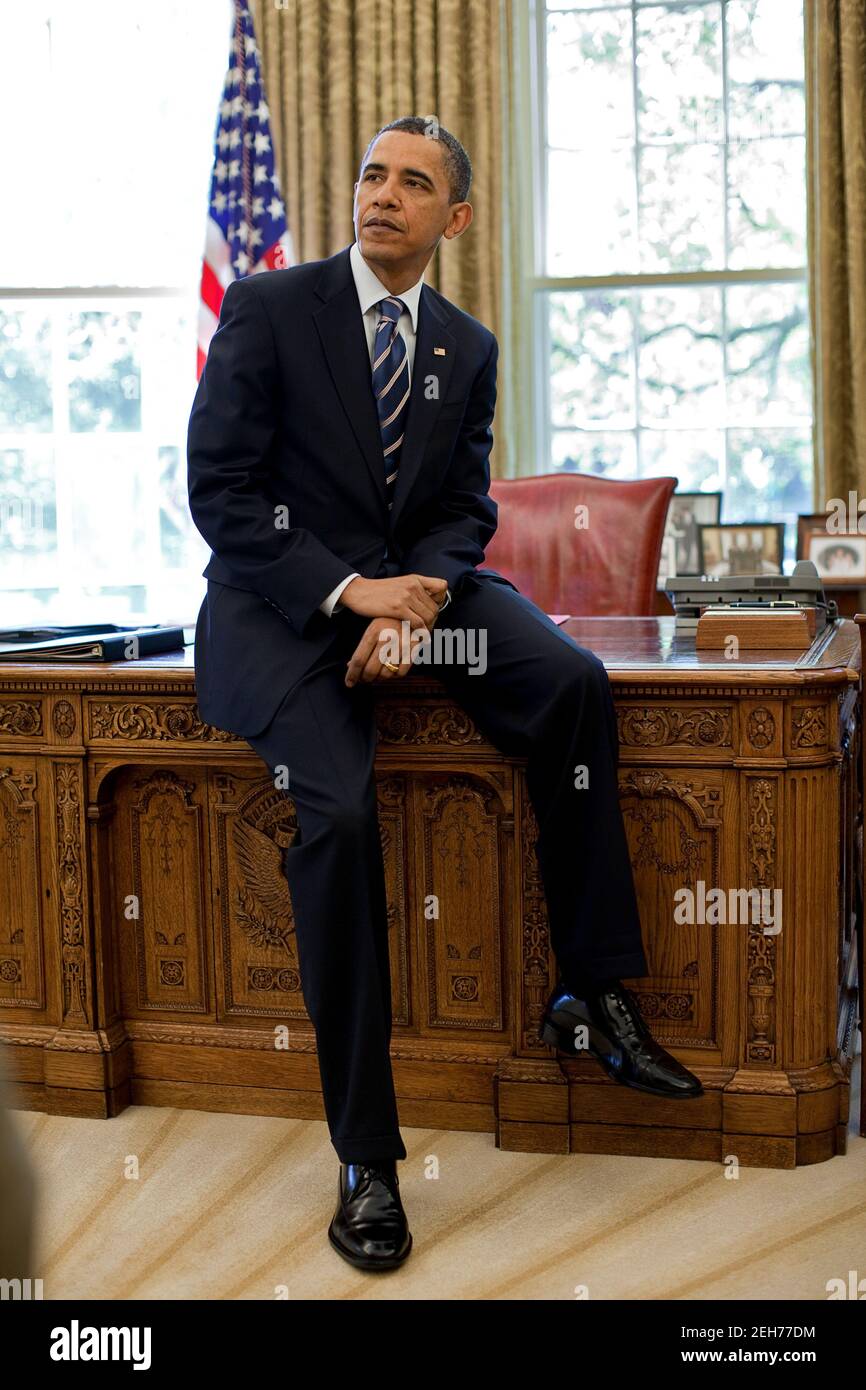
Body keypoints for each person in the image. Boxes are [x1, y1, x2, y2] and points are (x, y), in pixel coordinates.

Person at [187, 115, 702, 1275]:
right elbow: (221, 492)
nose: (383, 194)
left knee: (568, 681)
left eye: (412, 183)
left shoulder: (462, 348)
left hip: (419, 599)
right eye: (373, 174)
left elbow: (464, 509)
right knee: (344, 814)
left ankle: (588, 993)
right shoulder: (270, 310)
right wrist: (352, 598)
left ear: (452, 219)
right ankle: (367, 1154)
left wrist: (412, 607)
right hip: (285, 613)